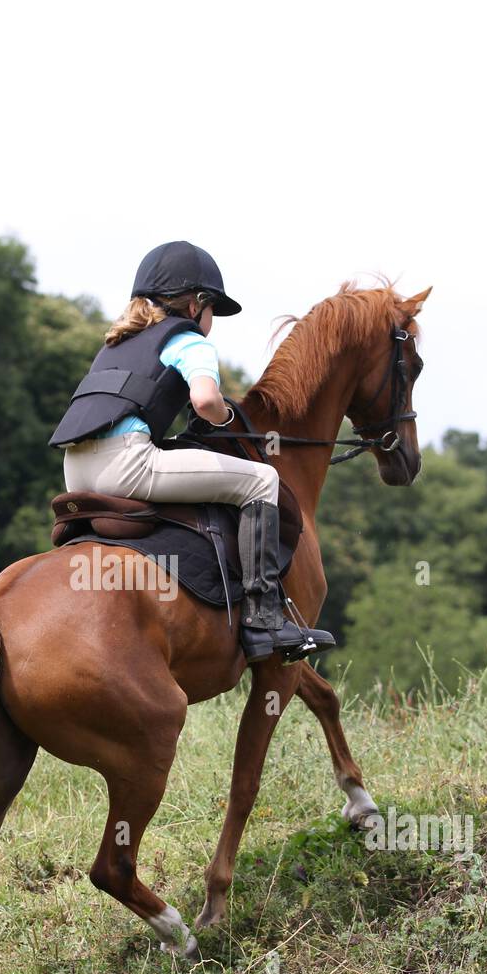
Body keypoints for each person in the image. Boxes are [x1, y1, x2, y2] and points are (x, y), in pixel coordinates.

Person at [49, 241, 334, 663]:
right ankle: (263, 618)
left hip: (76, 470)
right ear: (197, 304)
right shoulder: (189, 341)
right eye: (212, 309)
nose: (211, 320)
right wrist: (222, 418)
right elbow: (204, 401)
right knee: (262, 481)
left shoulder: (118, 342)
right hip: (126, 464)